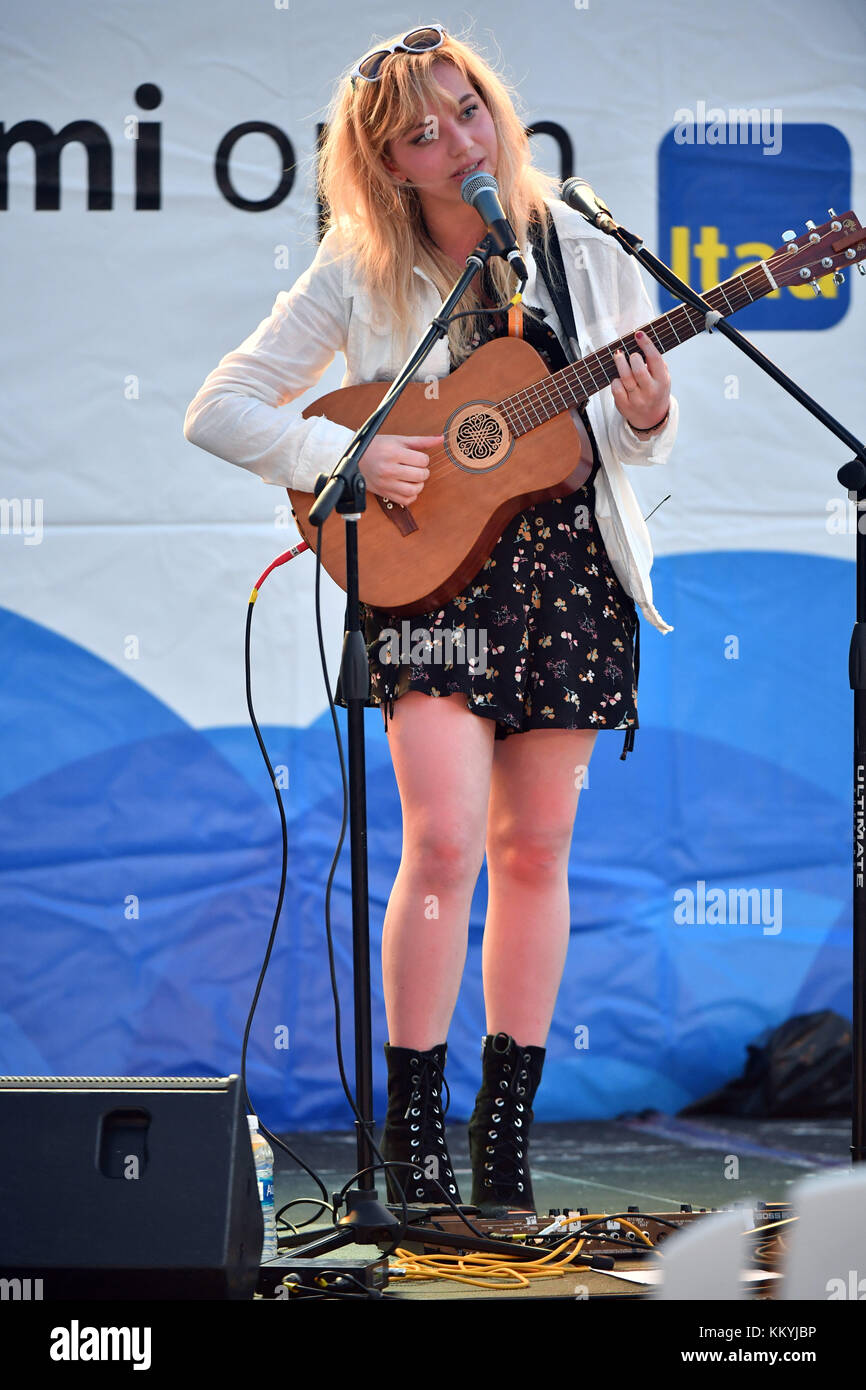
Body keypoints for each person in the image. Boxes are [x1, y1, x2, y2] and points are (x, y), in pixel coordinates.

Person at [184, 24, 677, 1215]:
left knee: (533, 853)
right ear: (386, 163)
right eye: (424, 132)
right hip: (429, 576)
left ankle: (502, 1144)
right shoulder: (358, 268)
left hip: (565, 570)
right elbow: (218, 407)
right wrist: (344, 452)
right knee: (445, 842)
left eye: (469, 110)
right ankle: (411, 1138)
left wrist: (649, 419)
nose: (460, 140)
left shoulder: (577, 234)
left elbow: (602, 437)